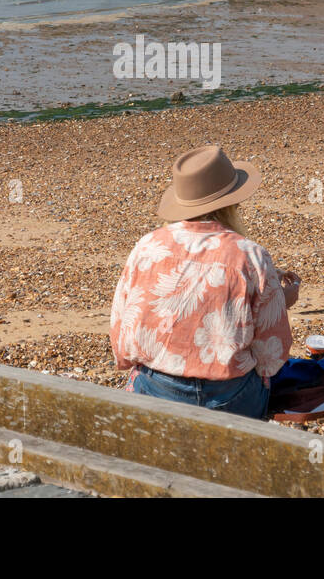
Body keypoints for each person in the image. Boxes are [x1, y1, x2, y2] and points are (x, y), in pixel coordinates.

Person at [110, 145, 297, 419]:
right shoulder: (250, 255)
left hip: (155, 390)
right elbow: (271, 356)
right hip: (230, 399)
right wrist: (281, 301)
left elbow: (122, 333)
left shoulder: (147, 246)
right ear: (232, 202)